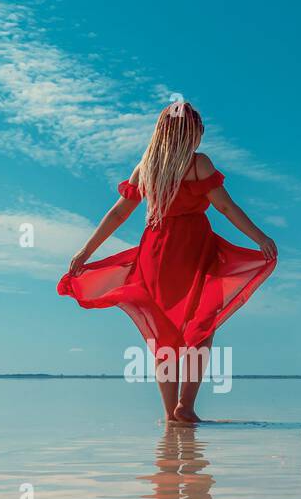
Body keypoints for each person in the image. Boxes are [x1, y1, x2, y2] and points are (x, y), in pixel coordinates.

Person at [58, 102, 277, 422]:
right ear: (191, 133)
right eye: (199, 132)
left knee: (164, 334)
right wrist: (259, 238)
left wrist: (86, 252)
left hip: (156, 254)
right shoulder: (198, 164)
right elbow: (226, 208)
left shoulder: (146, 168)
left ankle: (169, 413)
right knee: (200, 327)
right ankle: (185, 407)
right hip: (194, 251)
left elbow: (118, 213)